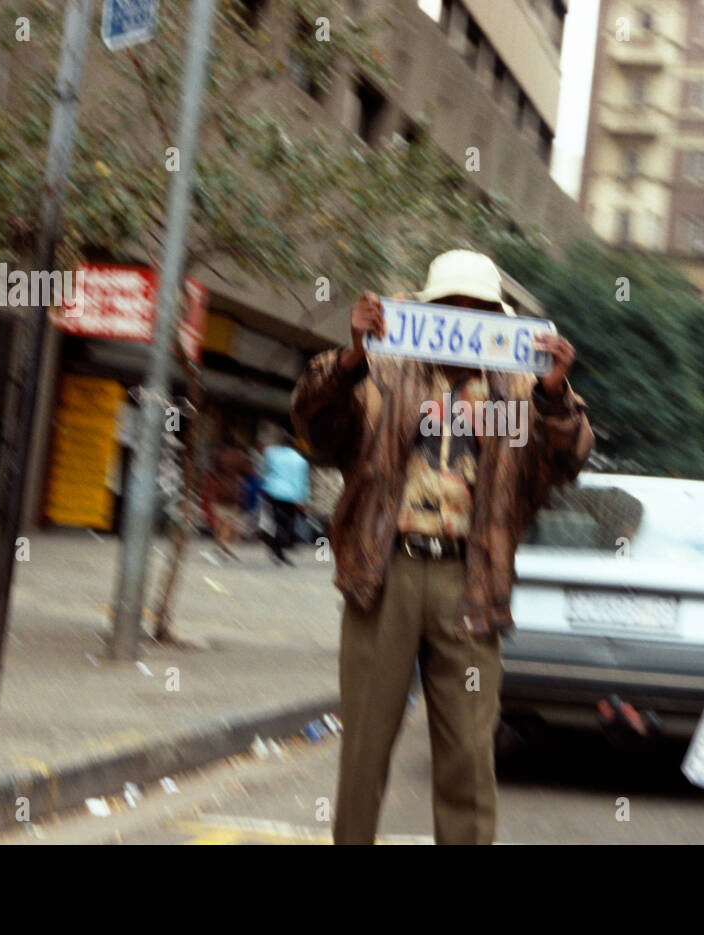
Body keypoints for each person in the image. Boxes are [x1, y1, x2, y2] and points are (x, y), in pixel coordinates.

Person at [291, 249, 593, 845]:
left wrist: (556, 397)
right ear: (430, 309)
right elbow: (313, 427)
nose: (464, 316)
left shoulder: (518, 389)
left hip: (470, 583)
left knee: (469, 756)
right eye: (452, 305)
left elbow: (567, 461)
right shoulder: (383, 370)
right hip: (385, 575)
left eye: (476, 308)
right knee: (365, 750)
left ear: (493, 315)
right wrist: (351, 357)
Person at [260, 430, 309, 565]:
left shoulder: (271, 453)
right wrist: (303, 500)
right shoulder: (300, 460)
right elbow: (301, 481)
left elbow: (264, 470)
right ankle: (277, 547)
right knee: (287, 523)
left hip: (273, 492)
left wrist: (265, 485)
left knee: (276, 520)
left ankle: (276, 548)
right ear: (293, 445)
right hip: (291, 495)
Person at [208, 429, 251, 561]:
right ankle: (223, 543)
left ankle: (218, 543)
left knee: (218, 518)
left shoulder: (218, 454)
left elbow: (213, 469)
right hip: (233, 489)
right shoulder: (240, 455)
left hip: (219, 488)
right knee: (229, 521)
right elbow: (248, 472)